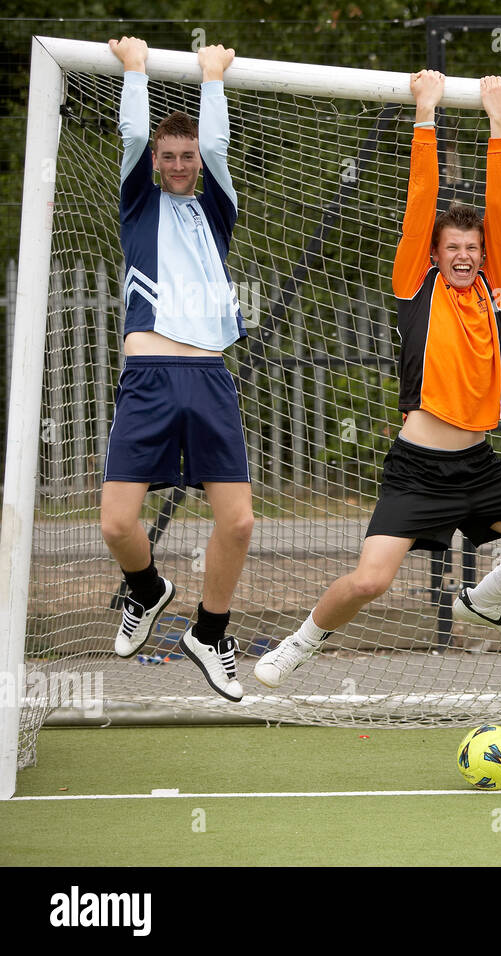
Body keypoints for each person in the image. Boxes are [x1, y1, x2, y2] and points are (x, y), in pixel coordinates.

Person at [254, 72, 501, 688]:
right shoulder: (416, 284)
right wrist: (425, 113)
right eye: (452, 246)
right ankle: (302, 641)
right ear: (434, 252)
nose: (463, 255)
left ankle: (486, 599)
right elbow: (419, 198)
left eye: (471, 248)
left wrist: (497, 121)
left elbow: (500, 207)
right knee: (371, 580)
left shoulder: (493, 289)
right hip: (419, 468)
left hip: (480, 466)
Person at [105, 36, 253, 702]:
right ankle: (148, 589)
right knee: (115, 523)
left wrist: (212, 78)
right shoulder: (138, 203)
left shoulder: (216, 211)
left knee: (240, 521)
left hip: (209, 377)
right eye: (167, 157)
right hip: (149, 377)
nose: (176, 165)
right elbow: (134, 134)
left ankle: (210, 630)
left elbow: (217, 149)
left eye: (184, 156)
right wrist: (135, 70)